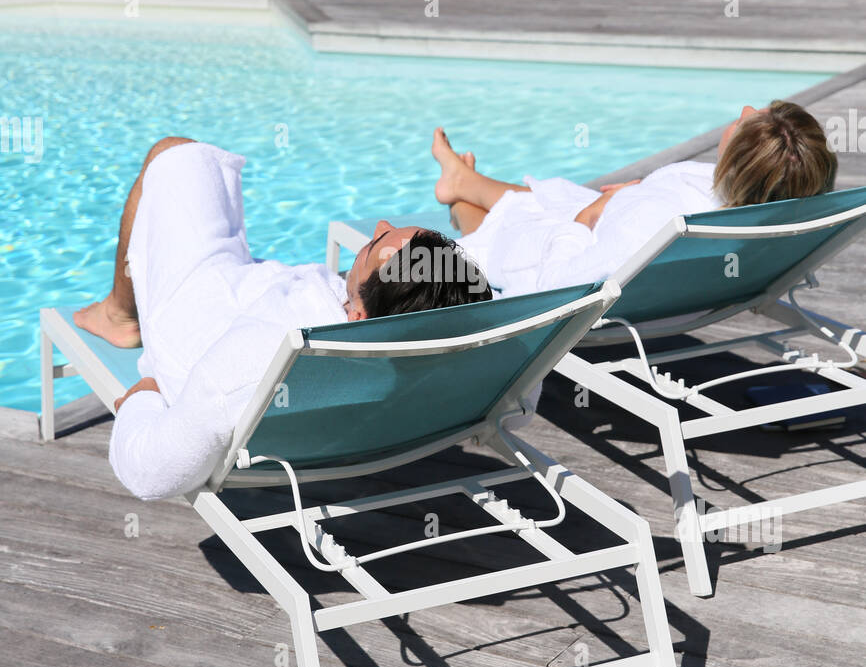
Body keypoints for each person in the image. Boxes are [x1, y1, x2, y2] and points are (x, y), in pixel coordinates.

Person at [76, 138, 490, 502]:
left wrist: (142, 398)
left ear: (360, 314)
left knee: (173, 153)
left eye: (380, 240)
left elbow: (149, 472)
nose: (380, 224)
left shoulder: (257, 365)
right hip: (249, 293)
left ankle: (119, 313)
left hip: (194, 305)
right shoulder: (461, 340)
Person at [431, 101, 838, 297]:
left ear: (737, 163)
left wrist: (588, 216)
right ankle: (462, 179)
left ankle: (459, 198)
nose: (747, 107)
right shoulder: (772, 211)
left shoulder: (657, 222)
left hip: (569, 263)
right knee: (552, 197)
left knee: (510, 223)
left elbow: (554, 286)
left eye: (749, 121)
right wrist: (634, 195)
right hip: (631, 236)